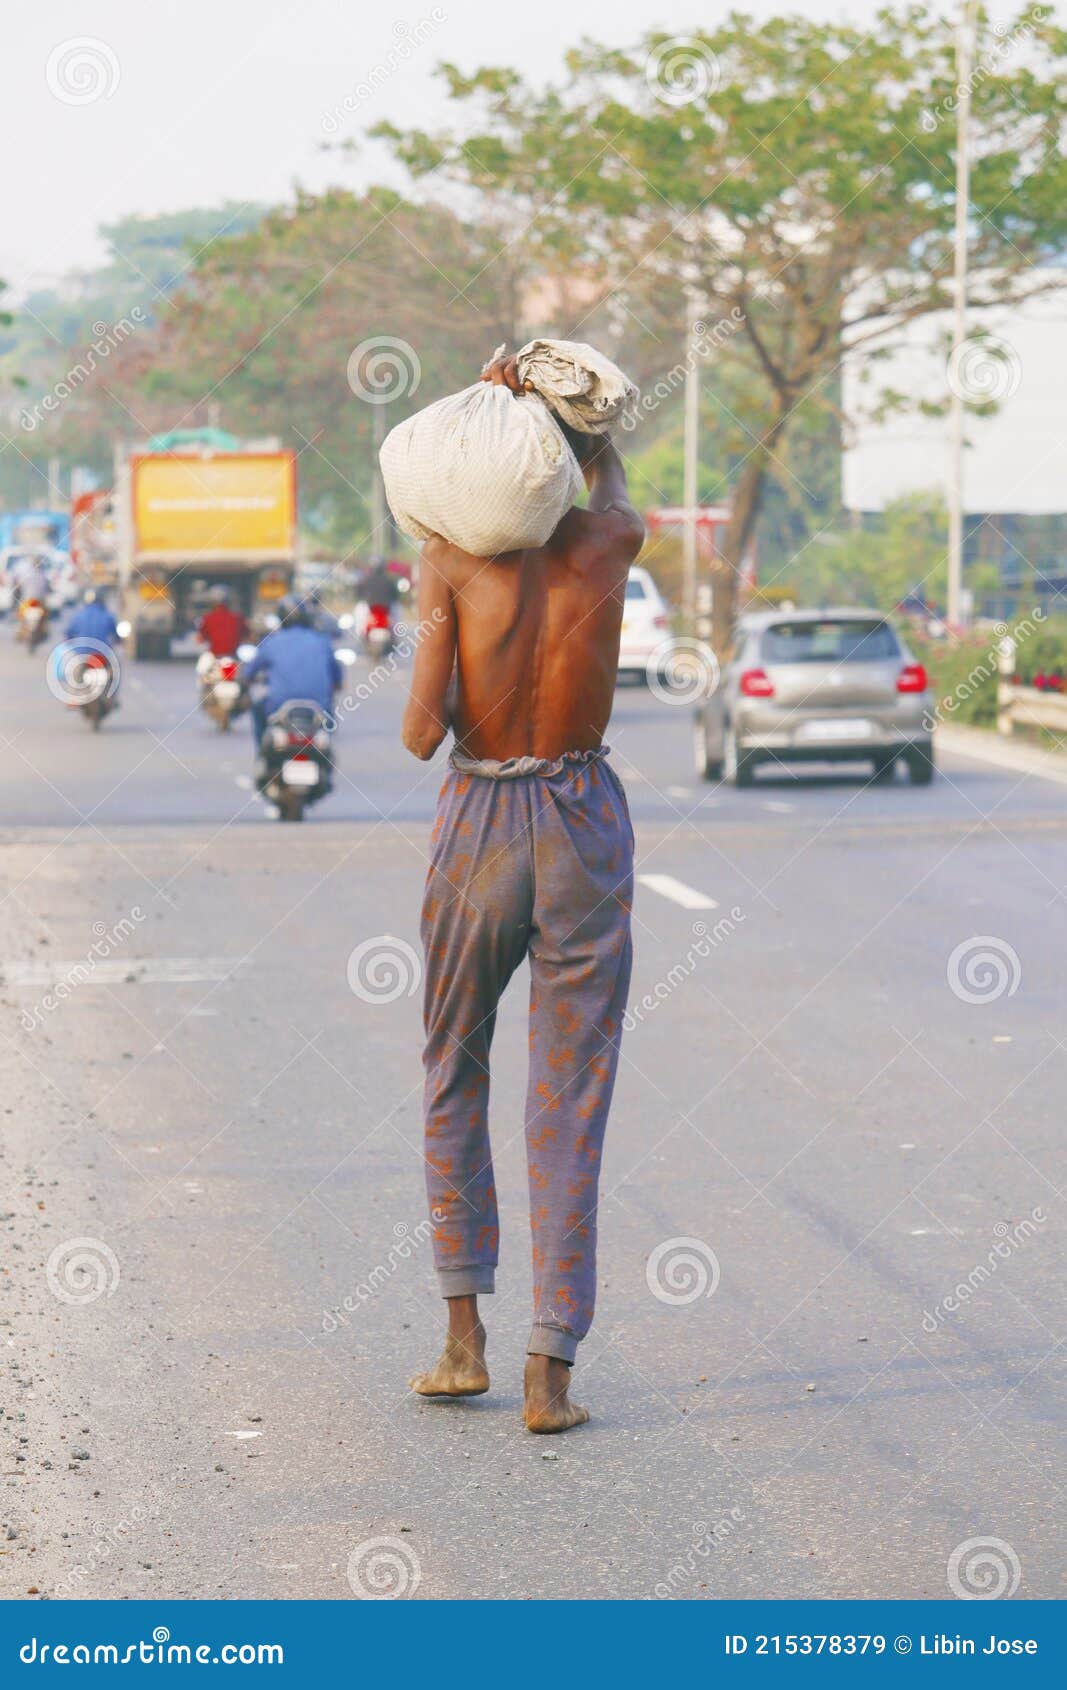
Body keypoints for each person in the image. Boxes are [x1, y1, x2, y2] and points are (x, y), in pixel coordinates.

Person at [401, 352, 644, 1434]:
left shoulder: (449, 557)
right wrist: (578, 425)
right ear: (576, 452)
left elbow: (416, 734)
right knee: (569, 1099)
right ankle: (551, 1378)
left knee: (454, 1068)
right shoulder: (611, 540)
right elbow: (612, 487)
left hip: (479, 825)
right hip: (583, 817)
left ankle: (463, 1343)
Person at [242, 596, 343, 747]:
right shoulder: (321, 641)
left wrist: (248, 681)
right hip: (320, 707)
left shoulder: (272, 642)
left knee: (257, 708)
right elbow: (337, 678)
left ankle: (261, 753)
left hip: (277, 706)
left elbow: (249, 673)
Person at [65, 589, 122, 699]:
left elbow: (69, 633)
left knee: (75, 672)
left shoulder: (78, 615)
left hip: (83, 654)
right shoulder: (109, 615)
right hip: (103, 654)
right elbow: (115, 635)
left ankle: (73, 698)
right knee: (115, 671)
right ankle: (114, 697)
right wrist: (119, 641)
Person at [197, 586, 248, 658]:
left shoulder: (207, 618)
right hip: (234, 656)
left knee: (201, 668)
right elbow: (246, 635)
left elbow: (201, 638)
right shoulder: (238, 617)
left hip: (215, 656)